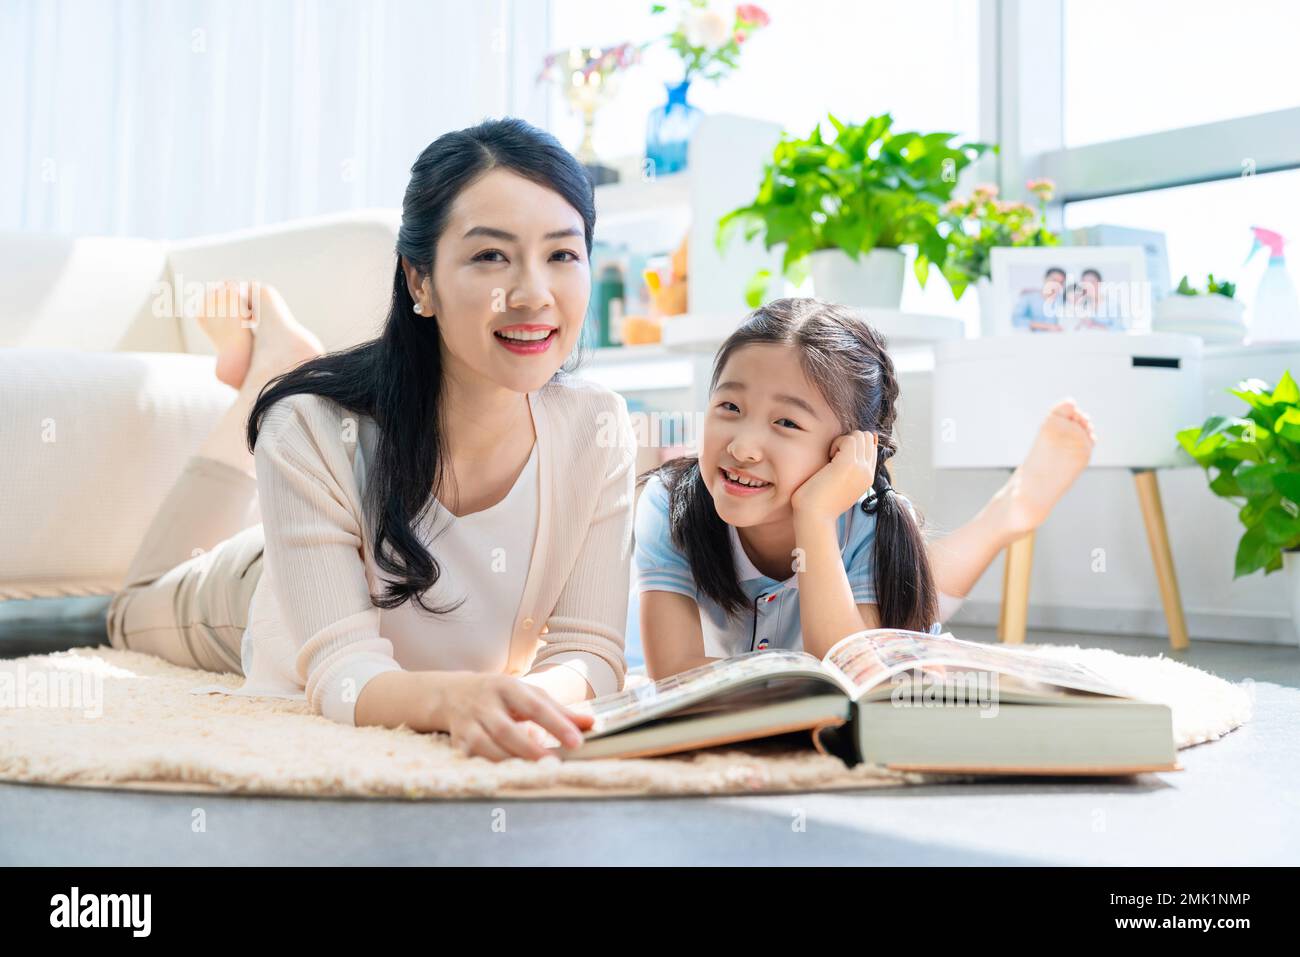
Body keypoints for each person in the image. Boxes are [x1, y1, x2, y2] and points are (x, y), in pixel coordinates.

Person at [106, 118, 639, 762]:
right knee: (126, 613)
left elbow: (592, 649)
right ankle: (266, 376)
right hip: (259, 589)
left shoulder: (597, 426)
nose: (531, 293)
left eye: (562, 254)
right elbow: (341, 670)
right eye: (490, 255)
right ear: (420, 282)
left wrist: (527, 704)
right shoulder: (312, 426)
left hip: (332, 522)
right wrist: (457, 699)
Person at [633, 297, 1096, 676]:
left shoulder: (863, 519)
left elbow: (849, 673)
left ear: (847, 449)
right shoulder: (670, 503)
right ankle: (1007, 512)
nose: (745, 446)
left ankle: (1009, 513)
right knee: (924, 582)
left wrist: (815, 516)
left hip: (875, 564)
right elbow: (673, 671)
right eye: (730, 407)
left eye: (787, 422)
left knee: (917, 607)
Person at [1011, 266, 1067, 332]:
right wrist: (1047, 327)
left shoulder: (1063, 299)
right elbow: (1016, 320)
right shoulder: (1029, 297)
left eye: (1061, 282)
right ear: (1044, 279)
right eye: (1054, 280)